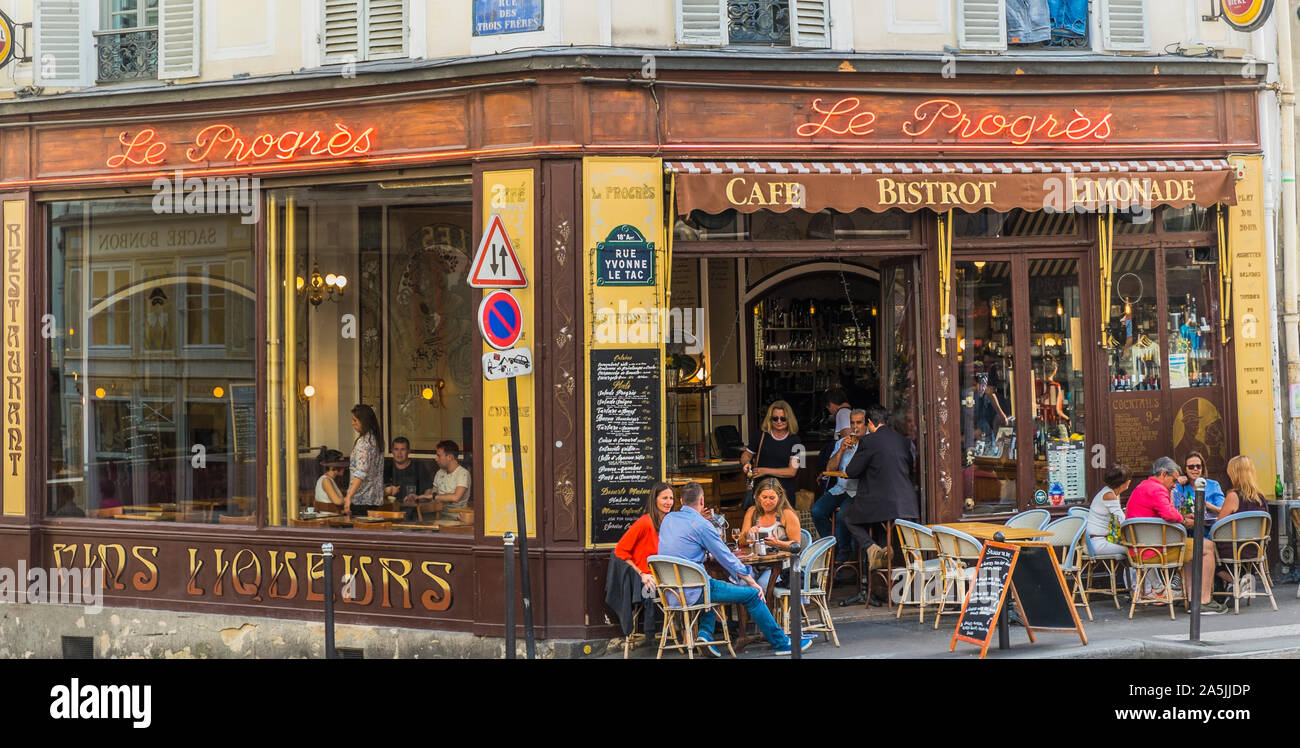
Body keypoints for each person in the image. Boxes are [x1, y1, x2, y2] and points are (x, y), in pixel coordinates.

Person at [657, 481, 813, 656]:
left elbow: (681, 550)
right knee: (752, 594)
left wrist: (707, 556)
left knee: (713, 587)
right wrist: (750, 580)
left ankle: (705, 635)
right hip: (696, 590)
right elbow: (727, 558)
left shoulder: (668, 519)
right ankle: (782, 643)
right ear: (702, 501)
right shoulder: (701, 524)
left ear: (681, 501)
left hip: (670, 591)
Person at [1124, 456, 1227, 614]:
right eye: (1173, 480)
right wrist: (1185, 520)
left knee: (1191, 546)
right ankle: (1204, 601)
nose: (1174, 485)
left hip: (1142, 548)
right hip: (1156, 550)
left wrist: (1182, 517)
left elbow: (1166, 513)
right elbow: (1170, 514)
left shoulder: (1144, 486)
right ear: (1164, 474)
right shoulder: (1157, 489)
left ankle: (1192, 597)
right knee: (1207, 546)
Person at [840, 404, 920, 606]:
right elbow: (909, 466)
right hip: (907, 504)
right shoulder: (903, 440)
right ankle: (882, 553)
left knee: (847, 516)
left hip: (880, 503)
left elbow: (851, 471)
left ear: (869, 423)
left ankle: (871, 548)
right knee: (885, 530)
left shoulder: (868, 441)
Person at [811, 408, 866, 555]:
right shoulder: (842, 442)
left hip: (858, 491)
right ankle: (832, 546)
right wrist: (841, 450)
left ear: (866, 424)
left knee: (843, 515)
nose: (855, 427)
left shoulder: (869, 443)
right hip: (840, 488)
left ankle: (845, 554)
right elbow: (829, 468)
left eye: (859, 423)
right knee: (817, 511)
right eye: (852, 423)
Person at [1213, 455, 1270, 592]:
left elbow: (1217, 527)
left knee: (1205, 553)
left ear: (1234, 474)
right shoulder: (1261, 497)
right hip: (1255, 548)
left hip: (1235, 549)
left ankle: (1236, 582)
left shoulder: (1233, 496)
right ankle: (1241, 580)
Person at [740, 478, 802, 590]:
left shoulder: (787, 514)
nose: (767, 501)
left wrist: (778, 543)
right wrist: (748, 534)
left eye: (772, 498)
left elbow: (796, 546)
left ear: (780, 497)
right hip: (755, 564)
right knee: (743, 585)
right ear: (757, 496)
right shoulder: (752, 512)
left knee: (763, 585)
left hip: (781, 565)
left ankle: (768, 608)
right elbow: (741, 541)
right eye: (764, 497)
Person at [740, 400, 803, 508]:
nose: (779, 421)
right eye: (775, 418)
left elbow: (792, 471)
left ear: (789, 420)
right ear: (770, 419)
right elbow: (746, 455)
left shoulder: (796, 441)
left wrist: (764, 471)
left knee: (783, 524)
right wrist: (746, 463)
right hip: (762, 492)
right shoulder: (760, 436)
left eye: (783, 419)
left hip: (784, 494)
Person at [614, 482, 675, 592]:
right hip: (647, 583)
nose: (669, 502)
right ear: (655, 500)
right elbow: (620, 551)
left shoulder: (668, 523)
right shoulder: (645, 522)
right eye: (664, 498)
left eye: (671, 498)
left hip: (664, 579)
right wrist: (641, 574)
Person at [342, 404, 384, 518]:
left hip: (360, 498)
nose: (352, 423)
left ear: (364, 421)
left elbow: (361, 472)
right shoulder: (376, 440)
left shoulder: (363, 443)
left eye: (355, 420)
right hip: (374, 498)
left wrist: (349, 497)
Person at [1171, 450, 1224, 538]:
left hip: (1211, 532)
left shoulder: (1213, 485)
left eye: (1198, 466)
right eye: (1191, 467)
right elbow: (1172, 509)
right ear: (1185, 469)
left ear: (1202, 468)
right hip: (1186, 532)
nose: (1195, 469)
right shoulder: (1179, 487)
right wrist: (1175, 481)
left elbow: (1223, 509)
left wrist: (1207, 505)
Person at [1086, 463, 1131, 557]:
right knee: (1135, 551)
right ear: (1125, 482)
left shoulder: (1110, 492)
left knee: (1136, 550)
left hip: (1099, 540)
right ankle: (1133, 572)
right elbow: (1122, 519)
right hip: (1097, 543)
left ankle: (1131, 572)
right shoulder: (1109, 495)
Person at [384, 436, 433, 509]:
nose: (399, 453)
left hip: (415, 511)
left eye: (402, 449)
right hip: (391, 510)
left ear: (408, 451)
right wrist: (387, 491)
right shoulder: (387, 468)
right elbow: (377, 493)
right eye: (396, 449)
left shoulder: (418, 467)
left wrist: (421, 502)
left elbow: (429, 489)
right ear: (392, 451)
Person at [971, 371, 1009, 441]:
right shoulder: (976, 399)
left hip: (990, 440)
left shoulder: (994, 400)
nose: (975, 389)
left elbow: (1003, 420)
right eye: (973, 386)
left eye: (974, 385)